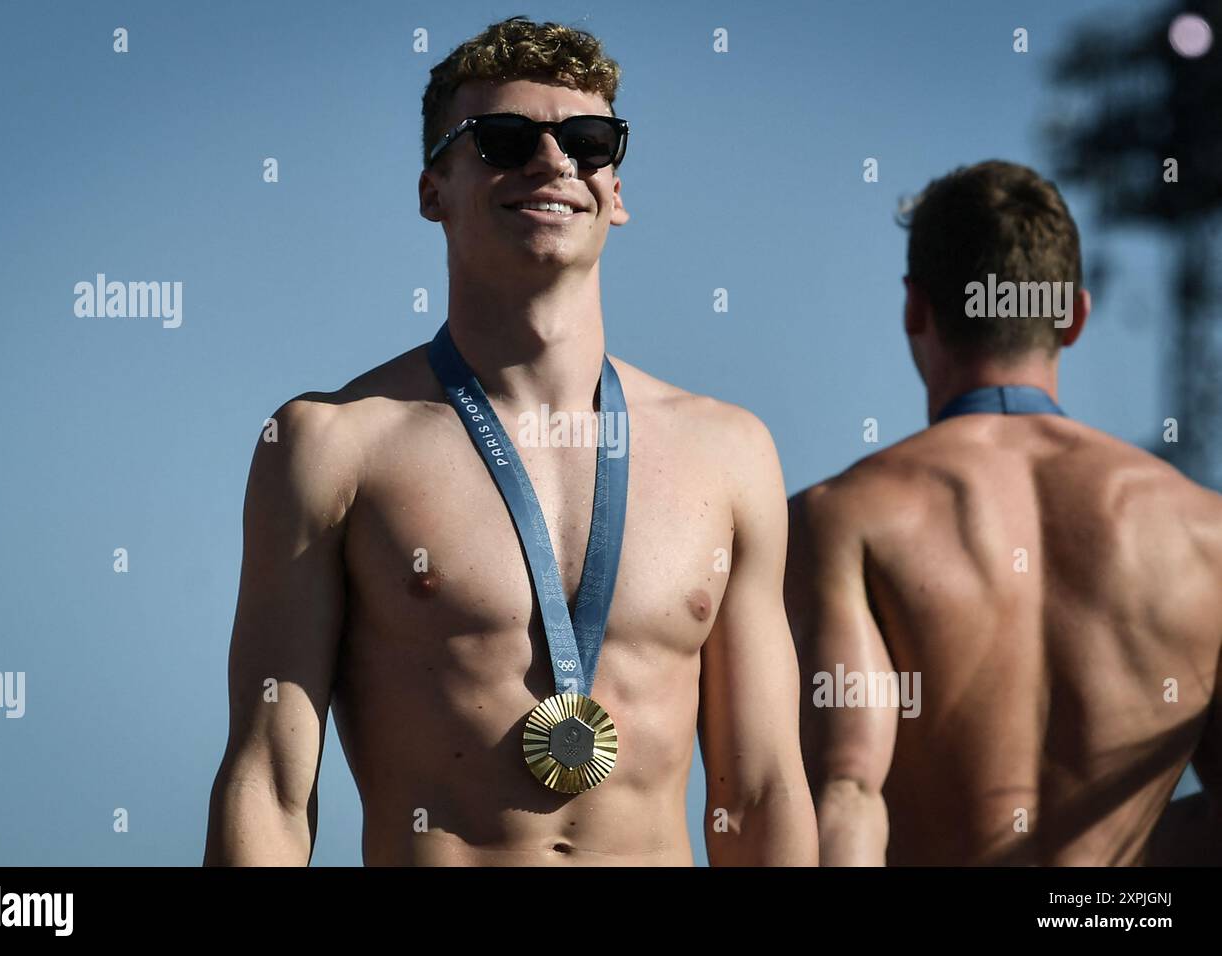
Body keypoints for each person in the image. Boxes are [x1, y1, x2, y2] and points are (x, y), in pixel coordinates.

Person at [204, 16, 817, 866]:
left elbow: (761, 793)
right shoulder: (331, 444)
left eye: (590, 141)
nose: (553, 161)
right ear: (432, 191)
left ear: (618, 187)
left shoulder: (730, 452)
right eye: (503, 140)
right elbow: (269, 783)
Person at [786, 160, 1222, 865]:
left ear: (915, 309)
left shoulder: (844, 520)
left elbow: (848, 792)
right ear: (1075, 316)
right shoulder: (1207, 531)